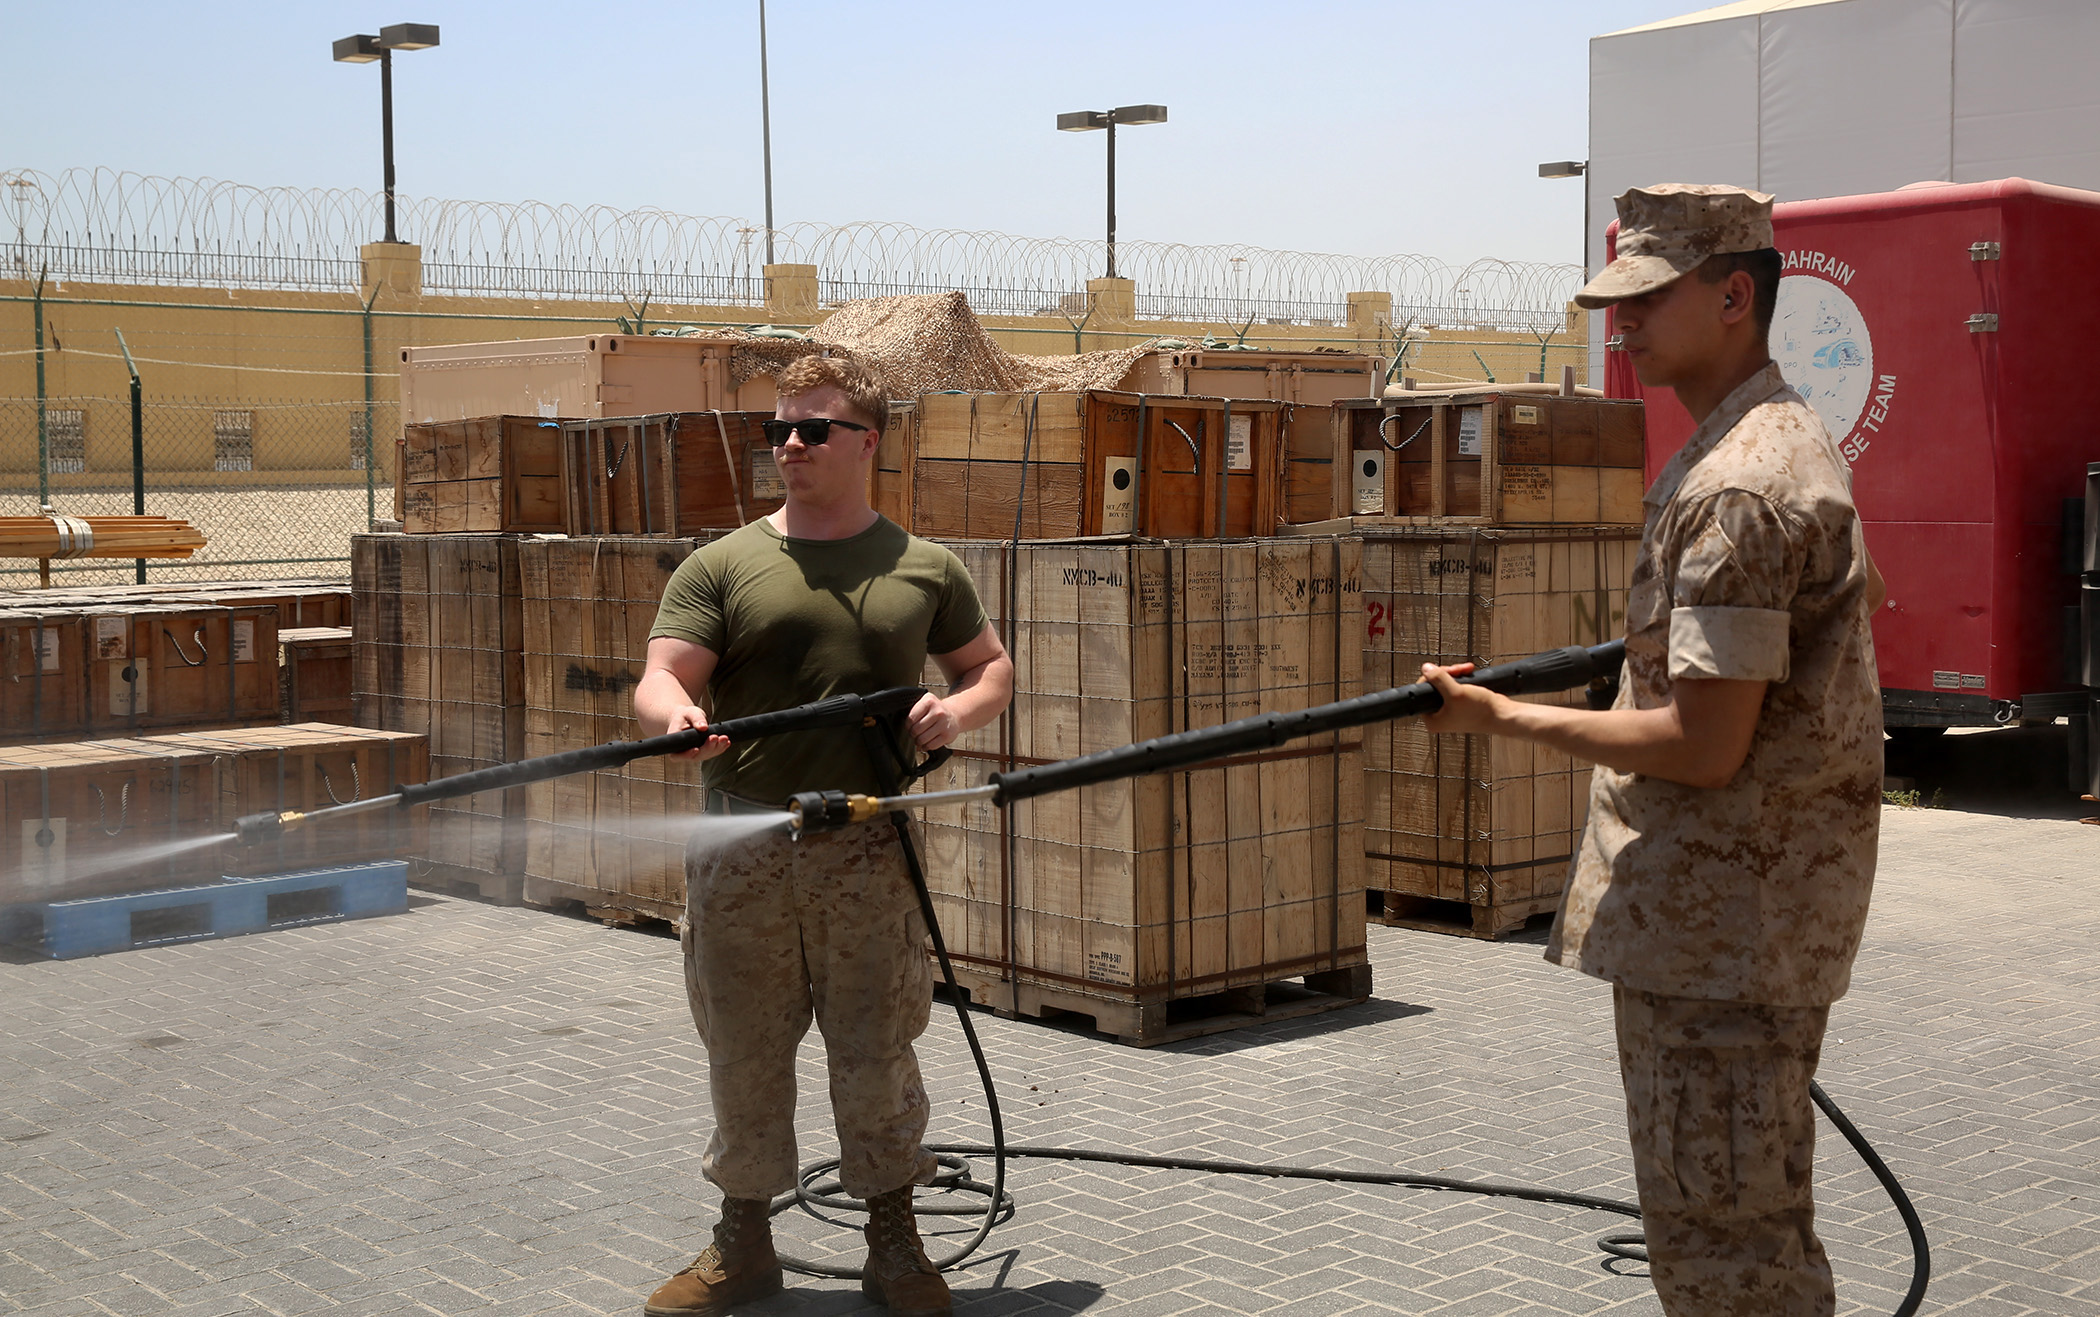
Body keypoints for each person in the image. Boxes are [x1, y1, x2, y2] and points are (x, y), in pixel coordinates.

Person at [1418, 184, 1884, 1317]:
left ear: (1733, 295)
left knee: (1728, 1257)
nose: (1622, 323)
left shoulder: (1738, 487)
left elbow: (1704, 742)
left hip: (1724, 938)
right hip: (1731, 930)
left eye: (1648, 296)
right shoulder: (1761, 441)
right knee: (1741, 1229)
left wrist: (1499, 721)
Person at [633, 351, 1013, 1317]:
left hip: (867, 852)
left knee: (876, 1044)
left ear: (866, 442)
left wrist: (957, 713)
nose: (789, 445)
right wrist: (674, 713)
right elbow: (662, 673)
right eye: (779, 430)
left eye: (812, 428)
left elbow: (990, 667)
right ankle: (743, 1243)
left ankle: (895, 1240)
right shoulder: (723, 564)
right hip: (743, 850)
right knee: (744, 1049)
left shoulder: (923, 567)